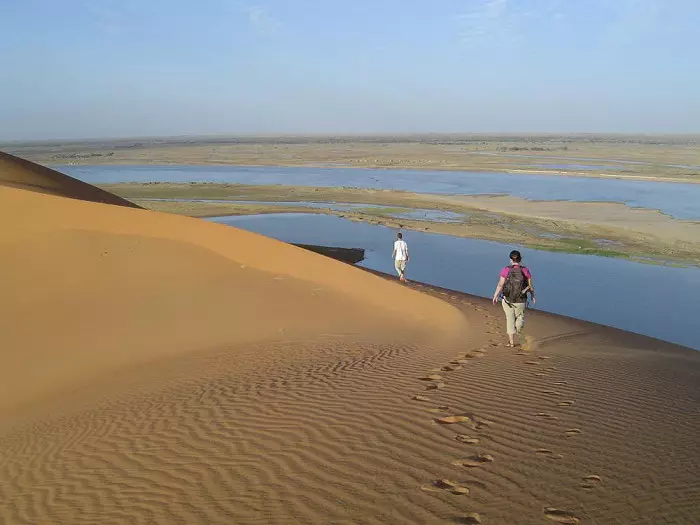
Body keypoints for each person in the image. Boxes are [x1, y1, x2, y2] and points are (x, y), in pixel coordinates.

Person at [492, 250, 535, 347]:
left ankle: (511, 343)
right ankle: (519, 329)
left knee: (509, 319)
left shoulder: (506, 269)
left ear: (511, 259)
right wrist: (532, 295)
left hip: (507, 299)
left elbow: (500, 284)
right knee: (520, 317)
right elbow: (530, 286)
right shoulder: (525, 270)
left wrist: (495, 295)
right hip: (521, 300)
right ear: (520, 259)